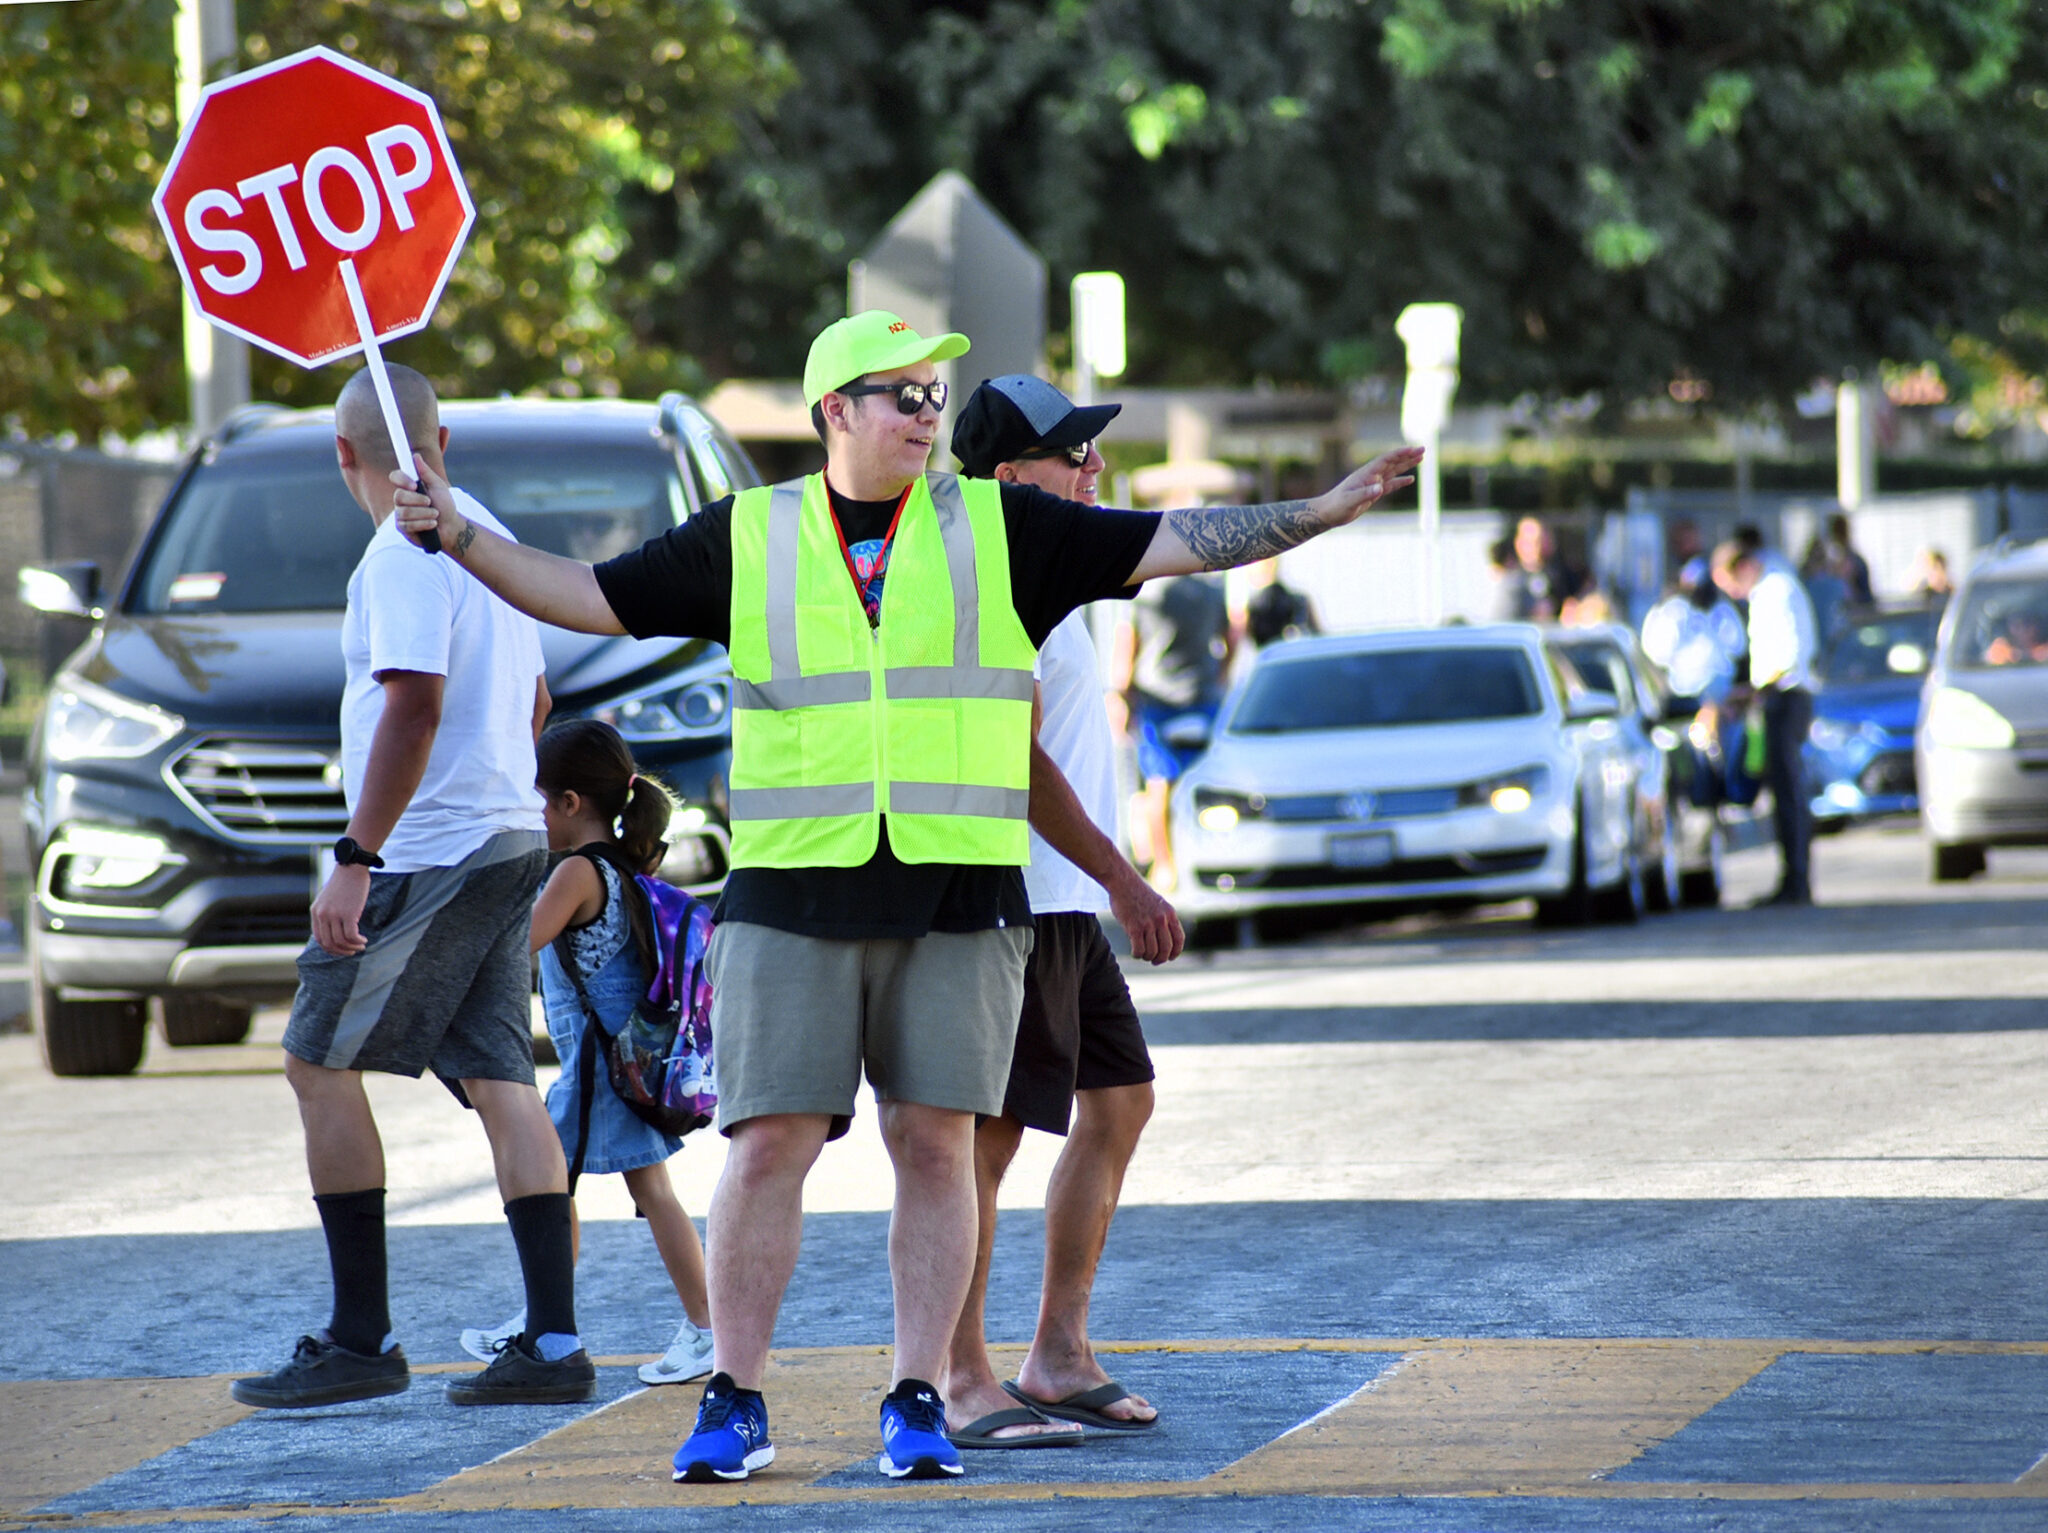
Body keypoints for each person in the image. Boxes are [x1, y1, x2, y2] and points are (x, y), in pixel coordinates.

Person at [390, 310, 1422, 1484]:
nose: (928, 414)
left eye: (936, 395)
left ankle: (919, 1395)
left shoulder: (1001, 526)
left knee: (935, 1146)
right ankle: (734, 1397)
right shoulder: (753, 533)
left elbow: (1175, 539)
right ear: (834, 409)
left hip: (959, 894)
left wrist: (1319, 511)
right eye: (903, 395)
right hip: (792, 894)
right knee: (765, 1146)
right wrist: (458, 535)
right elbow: (585, 594)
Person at [233, 364, 593, 1410]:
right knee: (500, 1077)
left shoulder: (400, 552)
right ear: (445, 443)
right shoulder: (480, 530)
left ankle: (362, 1337)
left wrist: (356, 856)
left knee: (315, 1062)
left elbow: (414, 708)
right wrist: (495, 789)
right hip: (508, 833)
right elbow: (536, 697)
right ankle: (553, 1343)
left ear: (341, 454)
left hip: (429, 851)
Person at [939, 376, 1186, 1449]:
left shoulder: (1053, 571)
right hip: (1021, 902)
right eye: (1071, 454)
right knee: (983, 1146)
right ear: (1007, 478)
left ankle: (1057, 1352)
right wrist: (1127, 880)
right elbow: (1019, 761)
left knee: (1120, 1101)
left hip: (1065, 907)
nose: (1094, 469)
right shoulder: (993, 575)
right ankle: (959, 1376)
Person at [459, 719, 713, 1388]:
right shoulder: (617, 865)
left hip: (603, 1069)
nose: (533, 815)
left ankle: (708, 1324)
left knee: (632, 1188)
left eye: (538, 801)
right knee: (557, 1185)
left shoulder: (576, 872)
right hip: (604, 1066)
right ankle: (542, 1318)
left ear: (570, 803)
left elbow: (517, 945)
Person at [1713, 537, 1820, 906]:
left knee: (1789, 793)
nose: (1734, 594)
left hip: (1786, 699)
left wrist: (1752, 692)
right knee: (1783, 792)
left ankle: (1797, 882)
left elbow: (1787, 657)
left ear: (1743, 567)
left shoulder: (1776, 591)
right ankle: (1792, 878)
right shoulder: (1769, 592)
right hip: (1778, 698)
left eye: (1731, 584)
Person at [1114, 571, 1231, 888]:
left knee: (1158, 786)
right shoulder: (1210, 592)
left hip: (1156, 701)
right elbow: (1230, 637)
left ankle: (1166, 866)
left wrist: (1122, 697)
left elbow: (1127, 648)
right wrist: (1220, 676)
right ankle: (1212, 858)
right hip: (1203, 698)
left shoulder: (1143, 594)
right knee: (1207, 784)